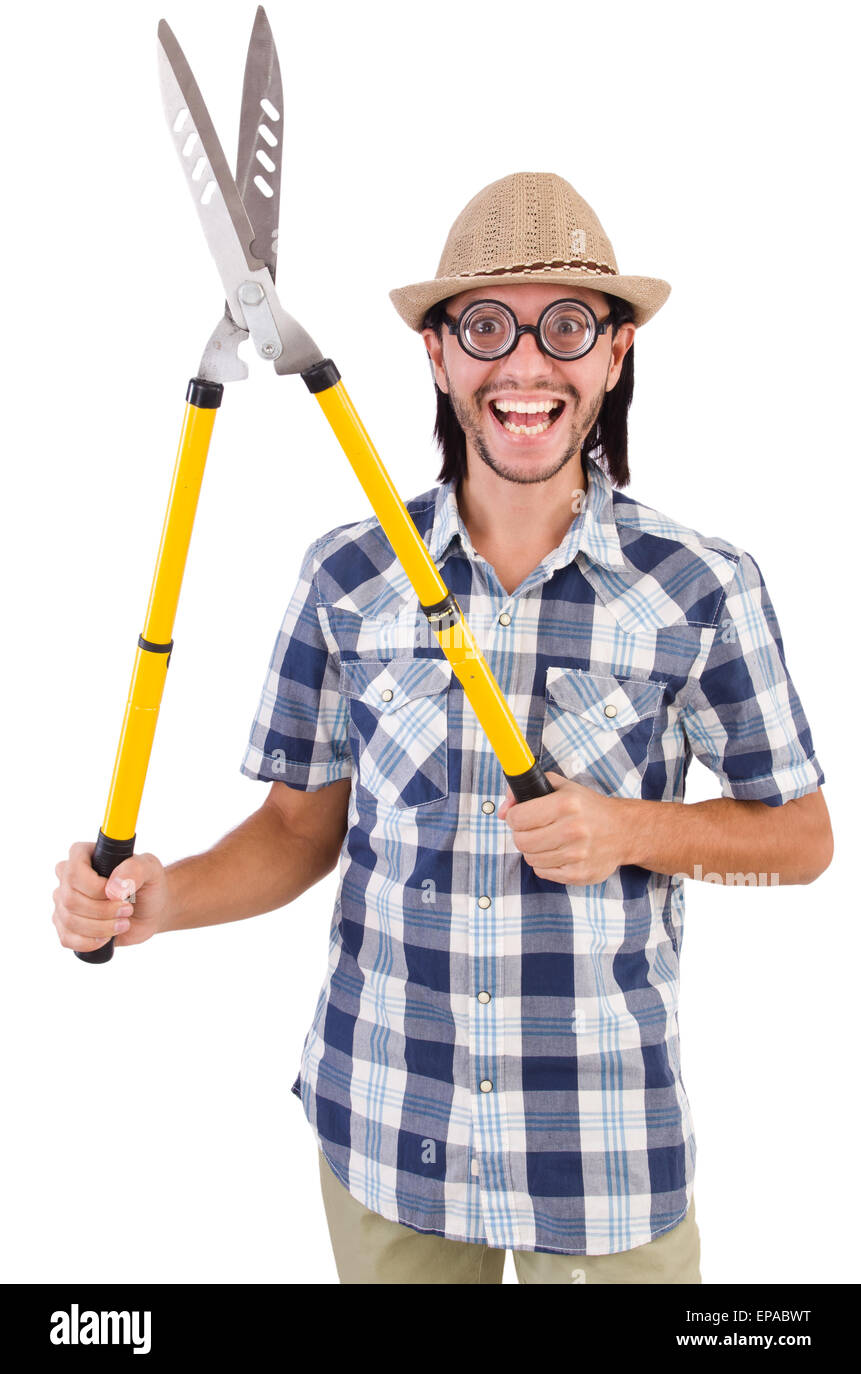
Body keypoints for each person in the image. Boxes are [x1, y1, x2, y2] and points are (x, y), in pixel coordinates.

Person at [53, 172, 833, 1285]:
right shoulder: (351, 573)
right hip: (388, 1134)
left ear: (614, 355)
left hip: (604, 1152)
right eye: (486, 326)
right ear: (437, 354)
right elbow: (294, 831)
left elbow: (802, 837)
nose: (525, 364)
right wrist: (158, 899)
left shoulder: (701, 584)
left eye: (566, 325)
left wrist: (628, 830)